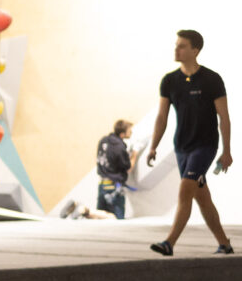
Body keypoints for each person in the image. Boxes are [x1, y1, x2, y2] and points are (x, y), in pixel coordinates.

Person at [146, 30, 234, 256]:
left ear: (195, 50)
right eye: (176, 45)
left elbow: (223, 117)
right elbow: (162, 117)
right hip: (182, 147)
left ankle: (169, 243)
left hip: (205, 146)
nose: (177, 50)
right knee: (202, 198)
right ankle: (224, 243)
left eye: (182, 46)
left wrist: (227, 151)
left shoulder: (212, 79)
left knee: (185, 189)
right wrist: (154, 146)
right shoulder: (170, 81)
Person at [95, 118, 134, 219]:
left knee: (100, 219)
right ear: (122, 134)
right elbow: (127, 167)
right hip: (114, 188)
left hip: (102, 185)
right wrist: (134, 154)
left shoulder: (103, 141)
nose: (131, 132)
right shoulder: (119, 147)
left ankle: (86, 212)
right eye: (130, 131)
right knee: (118, 220)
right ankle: (85, 212)